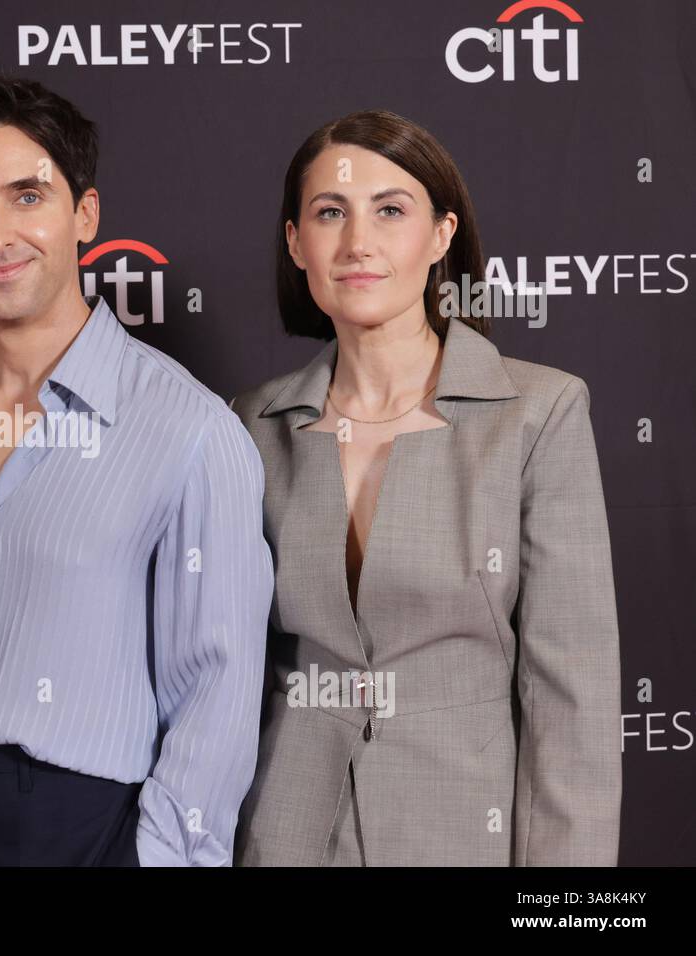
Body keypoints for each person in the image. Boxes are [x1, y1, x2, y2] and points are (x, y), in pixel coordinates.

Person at [0, 73, 273, 867]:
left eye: (26, 196)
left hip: (96, 828)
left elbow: (220, 693)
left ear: (86, 214)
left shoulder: (190, 430)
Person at [232, 109, 621, 866]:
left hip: (462, 833)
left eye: (390, 210)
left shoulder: (539, 413)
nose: (358, 244)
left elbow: (570, 701)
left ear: (441, 235)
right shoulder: (249, 423)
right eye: (329, 213)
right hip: (283, 833)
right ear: (295, 242)